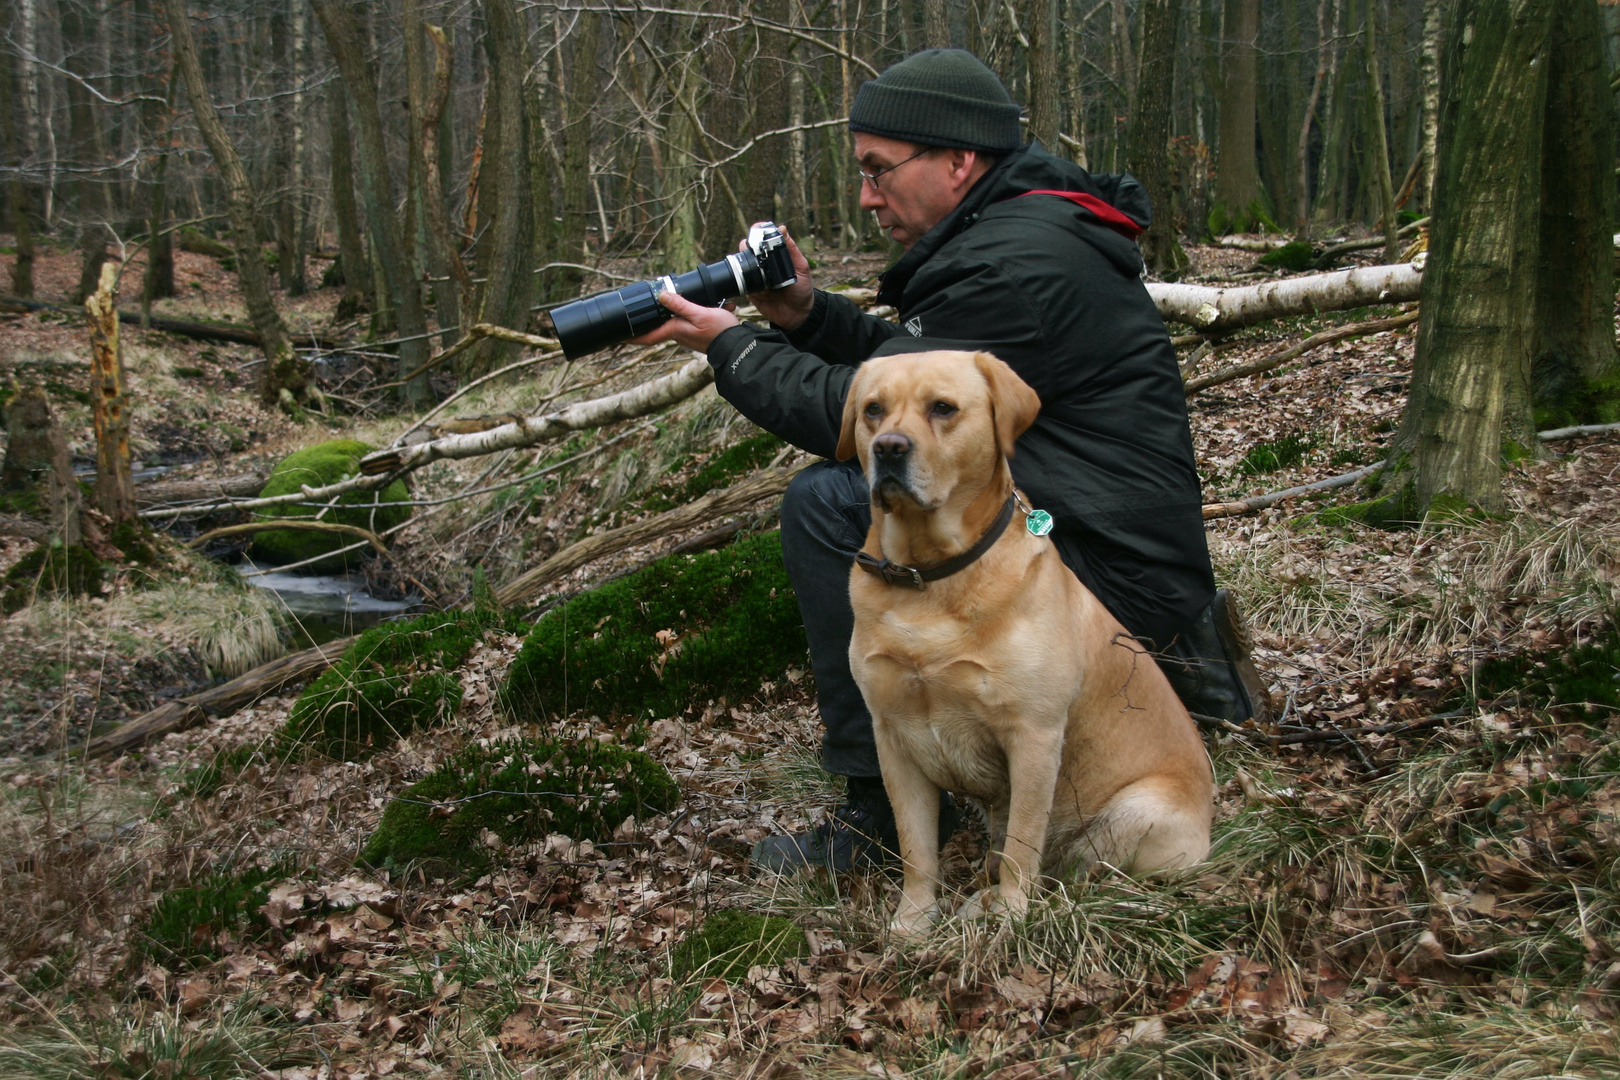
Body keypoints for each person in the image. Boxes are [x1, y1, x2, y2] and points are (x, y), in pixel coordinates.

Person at [630, 48, 1267, 873]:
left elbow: (850, 418)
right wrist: (804, 315)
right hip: (1079, 536)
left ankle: (875, 819)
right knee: (873, 499)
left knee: (832, 503)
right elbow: (908, 370)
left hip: (1107, 585)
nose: (866, 197)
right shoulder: (1019, 230)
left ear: (958, 160)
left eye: (878, 171)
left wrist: (734, 348)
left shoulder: (1016, 263)